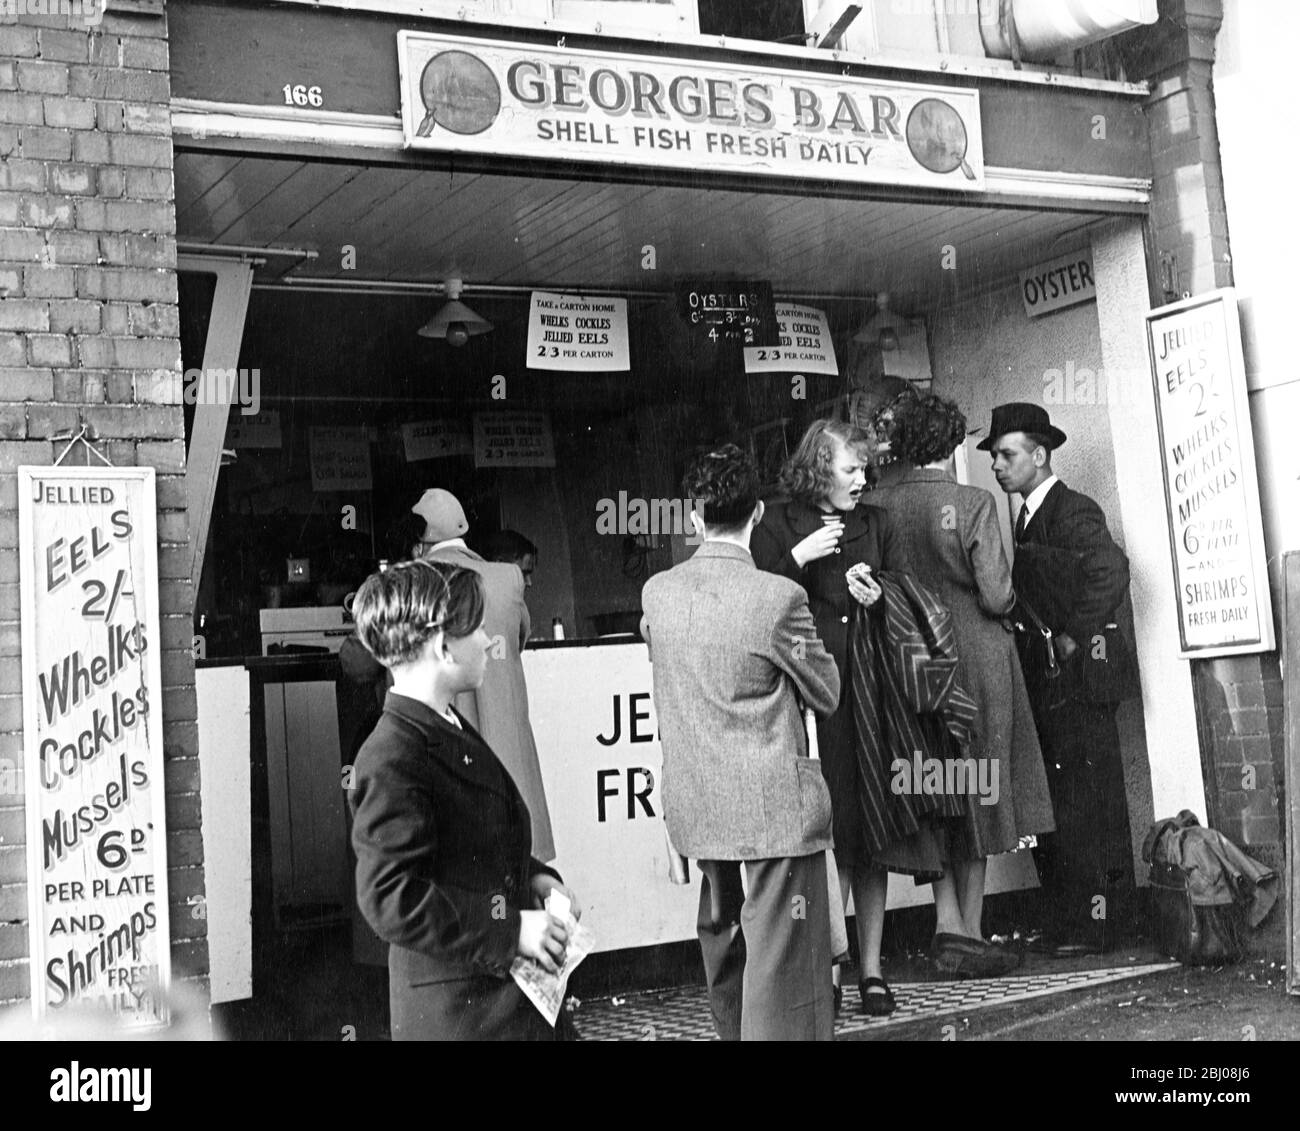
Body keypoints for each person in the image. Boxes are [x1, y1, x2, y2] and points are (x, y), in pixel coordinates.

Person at [641, 445, 841, 1041]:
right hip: (773, 805)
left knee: (725, 945)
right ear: (757, 513)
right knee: (785, 972)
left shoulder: (659, 593)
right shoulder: (778, 598)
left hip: (701, 803)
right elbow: (826, 692)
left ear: (695, 519)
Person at [348, 558, 580, 1040]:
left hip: (496, 1005)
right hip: (462, 1018)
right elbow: (391, 897)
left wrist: (537, 877)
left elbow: (472, 840)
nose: (488, 642)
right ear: (443, 647)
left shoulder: (443, 726)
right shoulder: (393, 755)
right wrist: (511, 931)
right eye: (476, 630)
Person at [871, 393, 1055, 974]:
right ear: (950, 445)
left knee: (934, 788)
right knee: (978, 785)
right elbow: (998, 594)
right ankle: (968, 935)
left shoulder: (876, 506)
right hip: (974, 661)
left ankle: (947, 920)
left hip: (908, 663)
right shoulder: (972, 503)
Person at [750, 418, 920, 1015]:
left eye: (864, 468)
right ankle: (830, 971)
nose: (863, 478)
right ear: (820, 467)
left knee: (873, 830)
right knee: (834, 829)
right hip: (815, 697)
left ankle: (872, 969)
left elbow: (904, 587)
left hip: (873, 691)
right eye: (852, 469)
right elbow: (754, 603)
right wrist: (798, 556)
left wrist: (879, 591)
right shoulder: (775, 523)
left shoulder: (875, 520)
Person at [979, 402, 1137, 956]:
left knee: (1085, 804)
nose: (997, 466)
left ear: (1040, 455)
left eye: (1007, 454)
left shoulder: (1072, 510)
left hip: (1081, 685)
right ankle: (1071, 920)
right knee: (1056, 803)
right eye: (995, 456)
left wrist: (1071, 637)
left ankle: (1098, 927)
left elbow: (1110, 569)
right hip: (1050, 686)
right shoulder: (1023, 515)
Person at [412, 489, 556, 862]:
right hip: (504, 771)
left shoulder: (411, 583)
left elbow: (361, 659)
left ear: (420, 542)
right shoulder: (508, 579)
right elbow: (516, 638)